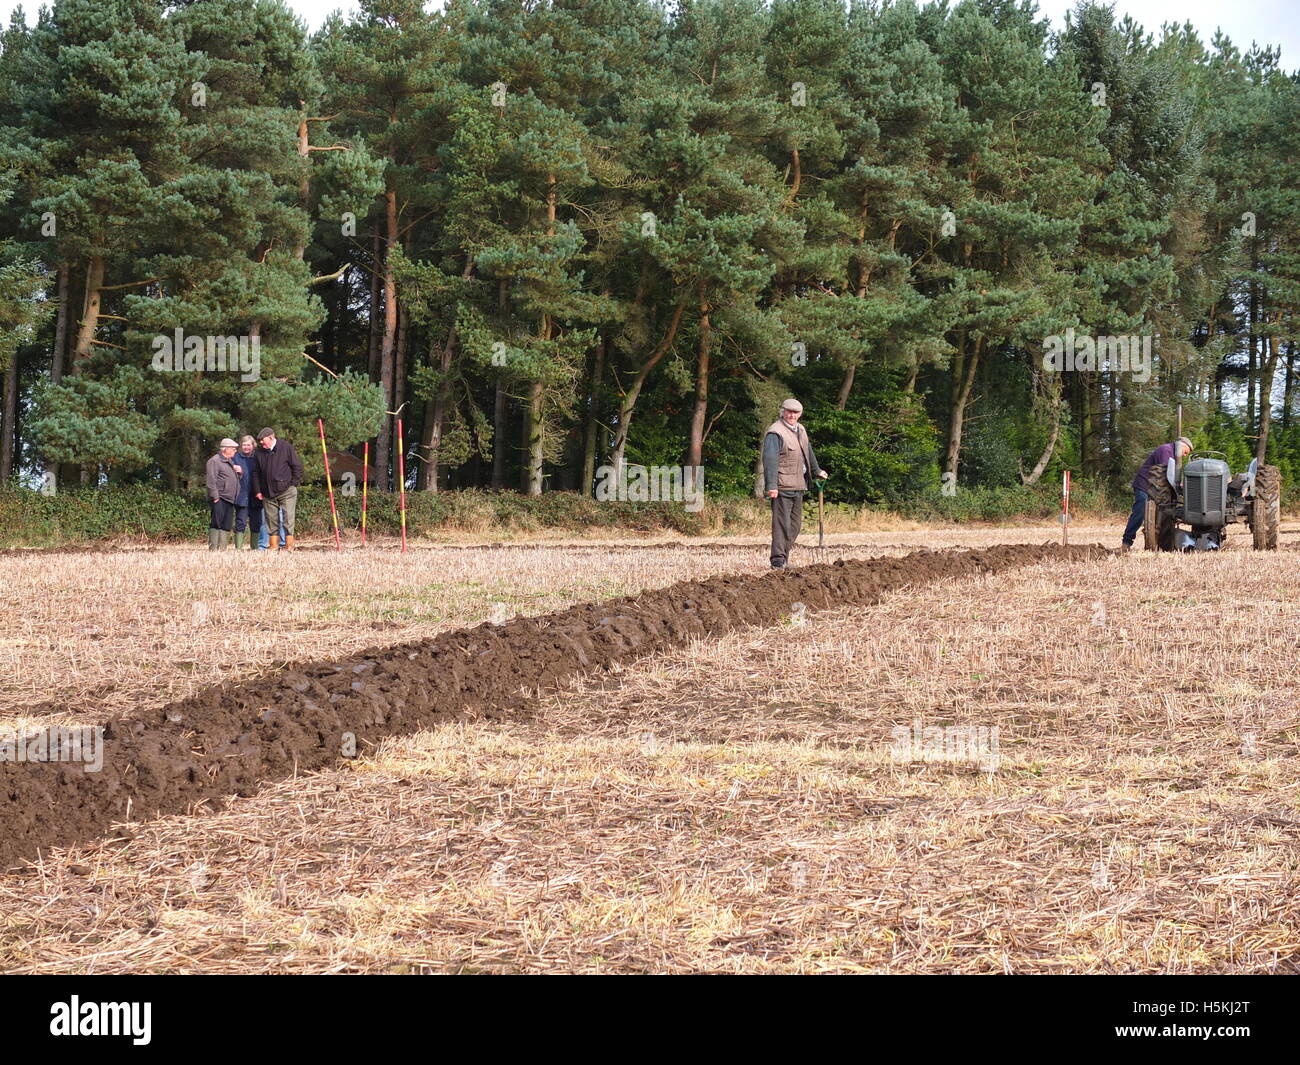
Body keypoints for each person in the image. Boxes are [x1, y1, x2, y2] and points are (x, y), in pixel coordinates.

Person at [762, 398, 829, 568]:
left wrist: (817, 471)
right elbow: (770, 460)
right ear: (782, 412)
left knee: (795, 525)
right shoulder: (775, 432)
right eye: (789, 411)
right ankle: (778, 560)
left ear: (800, 414)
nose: (792, 415)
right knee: (781, 524)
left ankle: (783, 557)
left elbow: (808, 451)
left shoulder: (800, 429)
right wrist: (771, 486)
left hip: (798, 484)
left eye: (796, 412)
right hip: (782, 485)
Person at [1123, 436, 1192, 550]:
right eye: (1185, 452)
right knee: (1139, 513)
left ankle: (1161, 544)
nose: (1185, 455)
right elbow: (1164, 474)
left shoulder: (1173, 454)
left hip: (1154, 488)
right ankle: (1126, 543)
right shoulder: (1166, 450)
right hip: (1145, 485)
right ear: (1181, 446)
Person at [253, 427, 303, 551]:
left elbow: (297, 467)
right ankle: (273, 545)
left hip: (287, 491)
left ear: (271, 437)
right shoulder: (259, 453)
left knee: (288, 518)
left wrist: (293, 484)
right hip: (267, 493)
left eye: (263, 440)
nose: (261, 443)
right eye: (259, 441)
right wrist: (258, 490)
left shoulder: (286, 447)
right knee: (270, 520)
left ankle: (289, 545)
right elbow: (255, 473)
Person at [204, 438, 242, 551]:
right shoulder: (214, 461)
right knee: (216, 523)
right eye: (233, 449)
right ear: (226, 449)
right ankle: (213, 549)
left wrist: (240, 473)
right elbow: (211, 481)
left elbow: (233, 478)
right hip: (219, 498)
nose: (235, 451)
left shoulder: (229, 461)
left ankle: (222, 549)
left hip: (229, 498)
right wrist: (215, 497)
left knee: (226, 524)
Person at [231, 435, 260, 551]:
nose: (246, 447)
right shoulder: (235, 458)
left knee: (256, 523)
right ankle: (238, 548)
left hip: (256, 495)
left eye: (248, 445)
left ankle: (255, 547)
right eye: (244, 445)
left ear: (253, 446)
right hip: (241, 496)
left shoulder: (258, 457)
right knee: (240, 522)